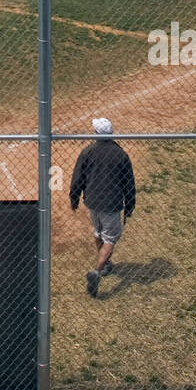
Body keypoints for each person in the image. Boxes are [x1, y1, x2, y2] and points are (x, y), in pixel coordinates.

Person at [70, 118, 136, 298]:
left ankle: (106, 265)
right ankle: (97, 271)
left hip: (92, 201)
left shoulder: (88, 151)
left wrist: (74, 197)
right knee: (111, 236)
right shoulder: (120, 154)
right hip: (111, 204)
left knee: (98, 232)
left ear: (97, 134)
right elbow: (129, 183)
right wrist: (130, 205)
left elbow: (78, 177)